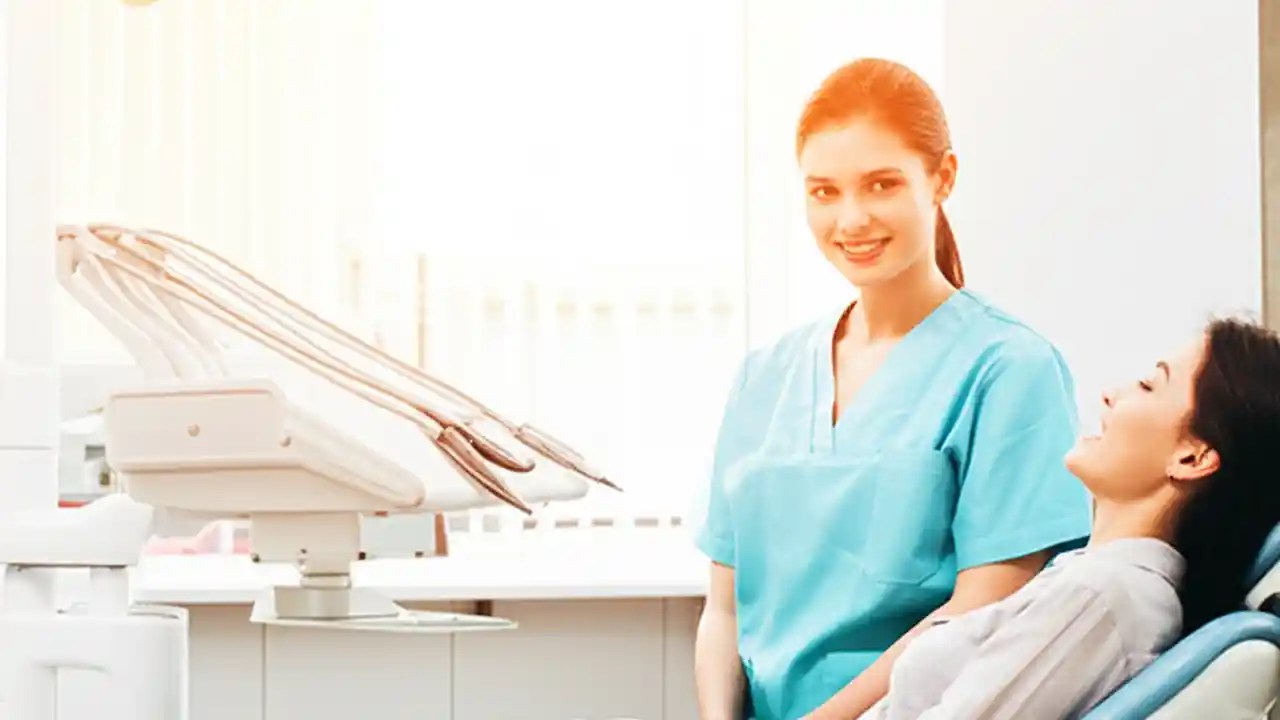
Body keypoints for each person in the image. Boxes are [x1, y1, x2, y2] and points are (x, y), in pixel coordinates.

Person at [691, 57, 1093, 720]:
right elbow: (723, 610)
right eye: (824, 192)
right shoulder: (762, 378)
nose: (851, 219)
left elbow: (984, 607)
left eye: (880, 184)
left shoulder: (1010, 370)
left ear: (943, 178)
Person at [858, 318, 1280, 719]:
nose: (1112, 394)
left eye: (1149, 386)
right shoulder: (1094, 580)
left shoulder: (1103, 594)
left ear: (1192, 457)